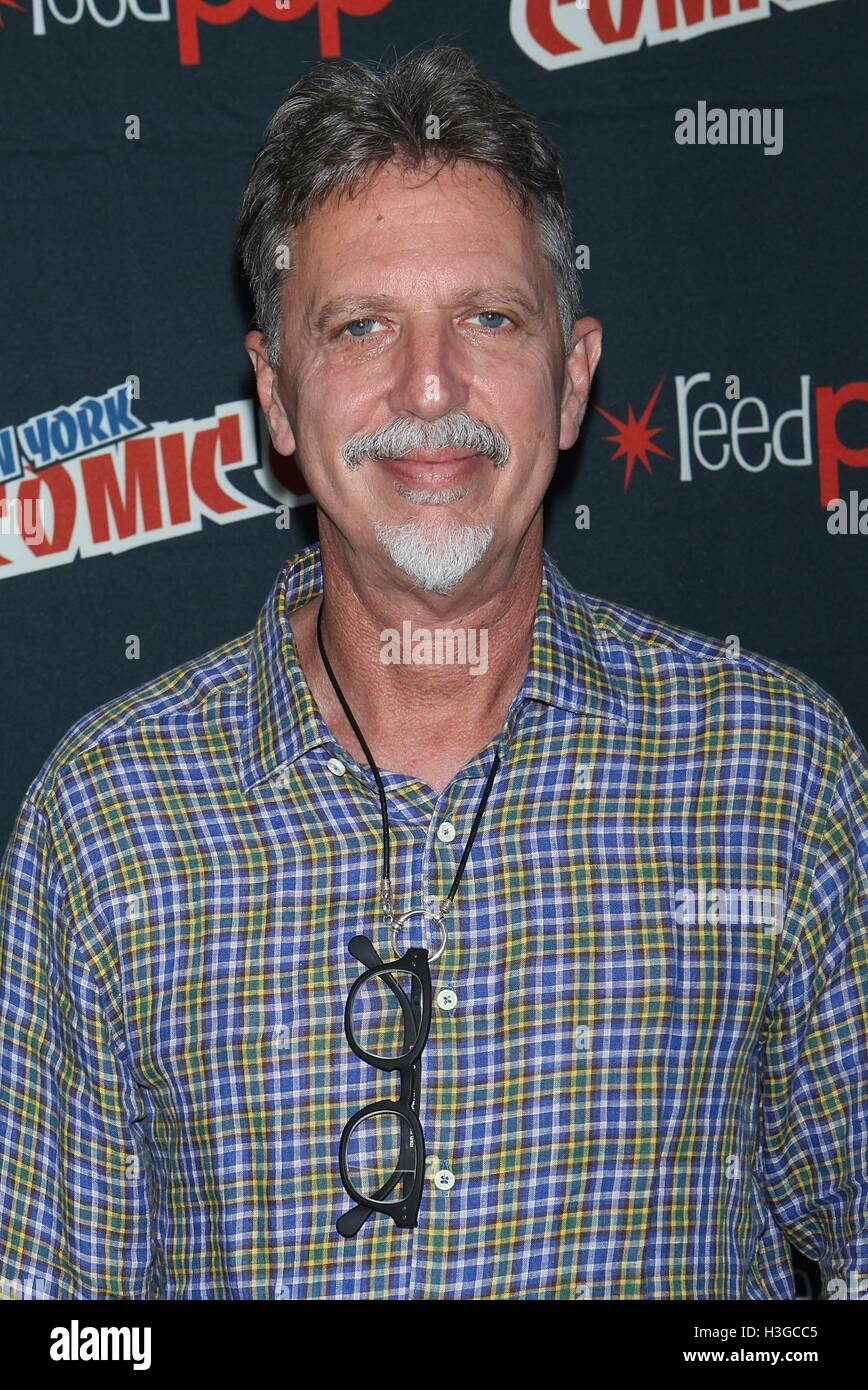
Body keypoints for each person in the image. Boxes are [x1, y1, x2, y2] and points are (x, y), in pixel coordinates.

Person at [1, 44, 865, 1301]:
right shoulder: (108, 820)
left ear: (572, 382)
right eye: (361, 326)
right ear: (277, 400)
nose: (429, 387)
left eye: (488, 318)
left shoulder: (776, 775)